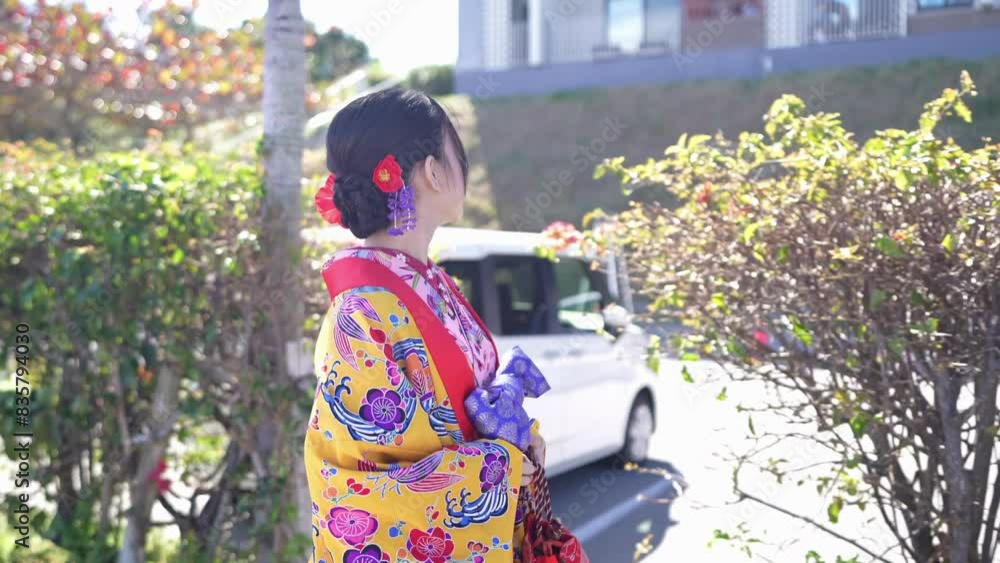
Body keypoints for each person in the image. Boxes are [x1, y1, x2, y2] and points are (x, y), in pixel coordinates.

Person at [305, 88, 546, 563]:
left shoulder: (426, 281)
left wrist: (520, 442)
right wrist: (501, 464)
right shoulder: (361, 311)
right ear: (433, 170)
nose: (466, 171)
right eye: (459, 154)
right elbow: (367, 485)